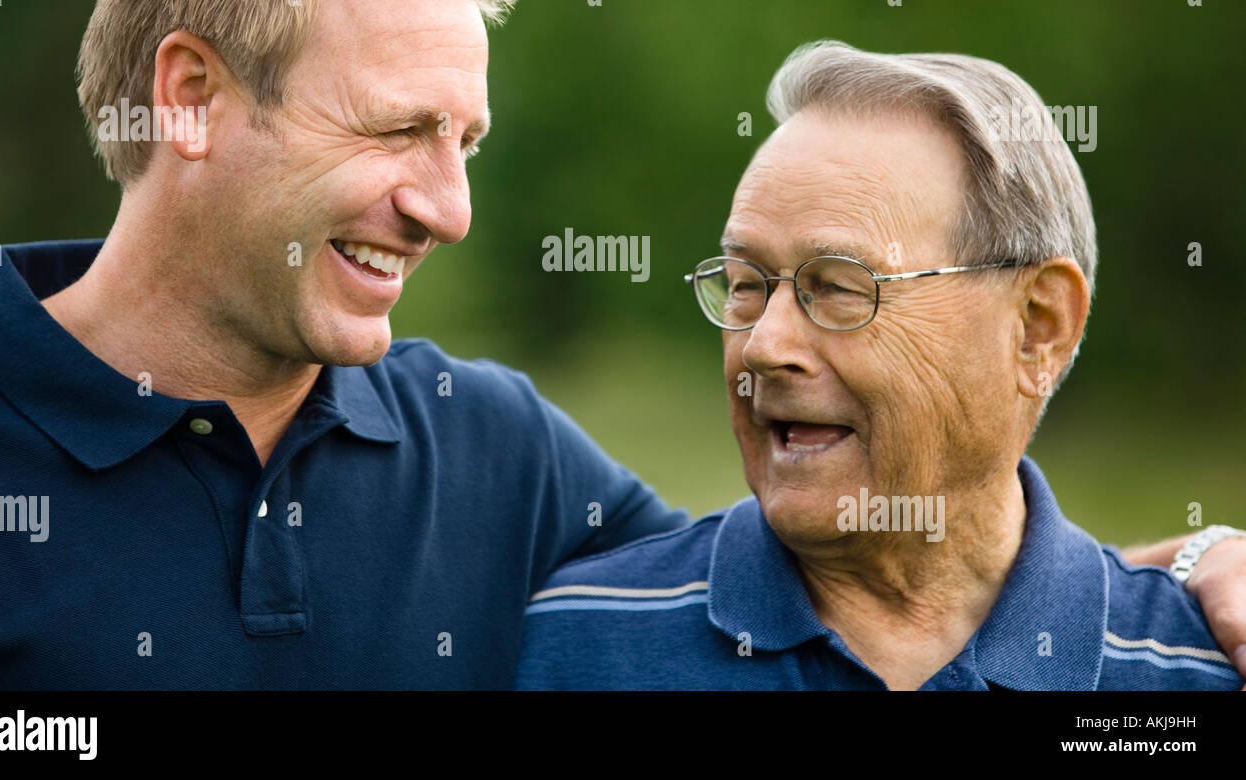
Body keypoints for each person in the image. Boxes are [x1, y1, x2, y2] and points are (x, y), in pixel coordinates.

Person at [0, 0, 1241, 689]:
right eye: (400, 129)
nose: (447, 208)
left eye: (465, 140)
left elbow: (861, 551)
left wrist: (1179, 573)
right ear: (189, 96)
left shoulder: (491, 451)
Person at [515, 41, 1246, 690]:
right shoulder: (580, 645)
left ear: (1036, 328)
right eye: (746, 284)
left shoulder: (1193, 673)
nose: (765, 346)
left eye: (835, 287)